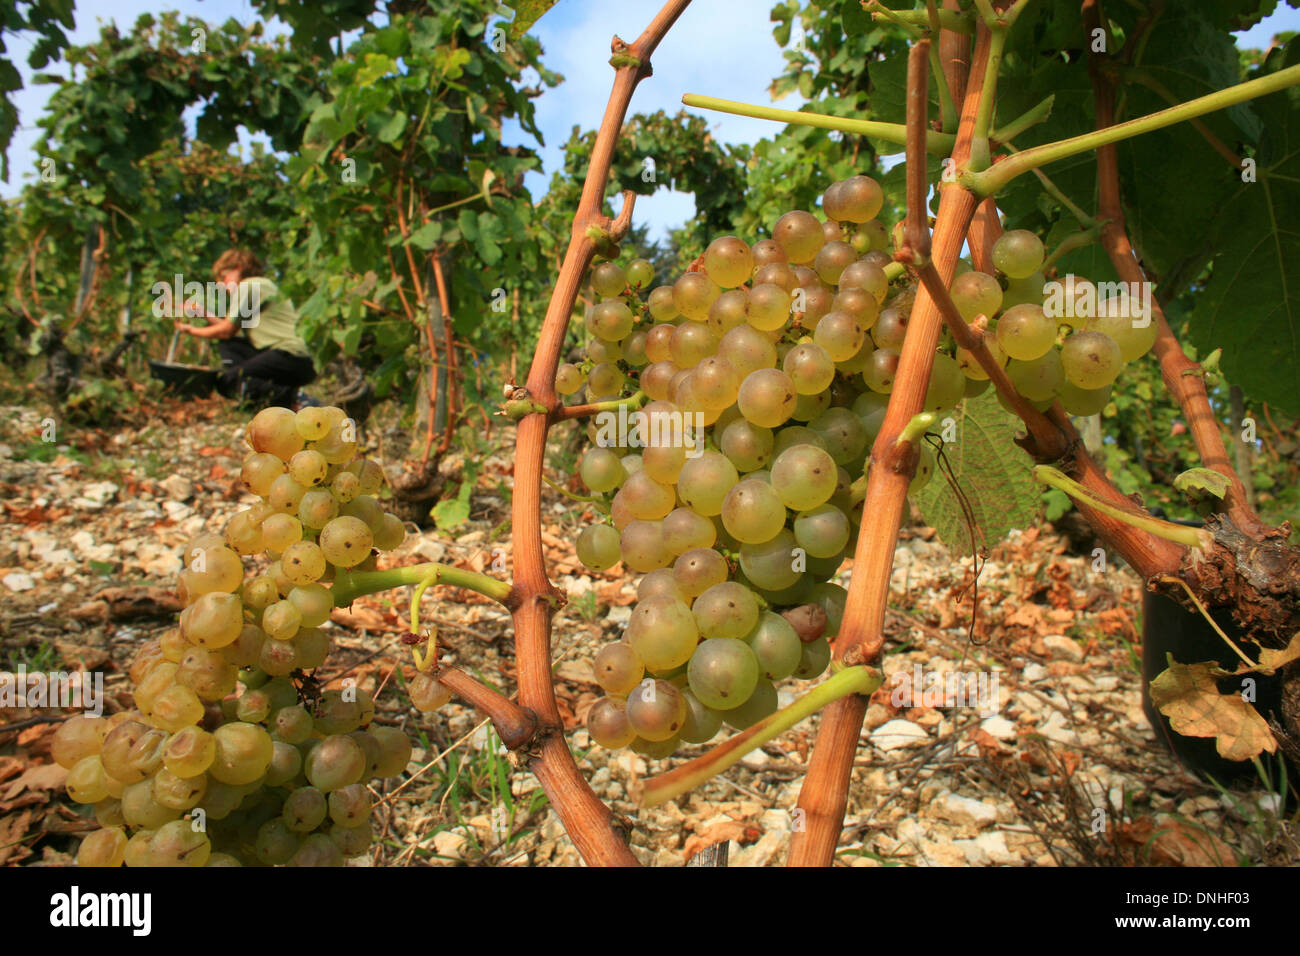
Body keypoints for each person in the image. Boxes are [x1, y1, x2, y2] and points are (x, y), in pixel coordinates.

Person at [173, 249, 316, 410]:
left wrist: (190, 330)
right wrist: (204, 313)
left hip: (290, 355)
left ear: (239, 268)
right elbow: (230, 330)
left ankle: (294, 400)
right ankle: (265, 399)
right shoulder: (260, 286)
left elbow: (226, 331)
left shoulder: (249, 285)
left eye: (224, 277)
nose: (221, 284)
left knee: (228, 381)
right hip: (296, 359)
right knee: (230, 346)